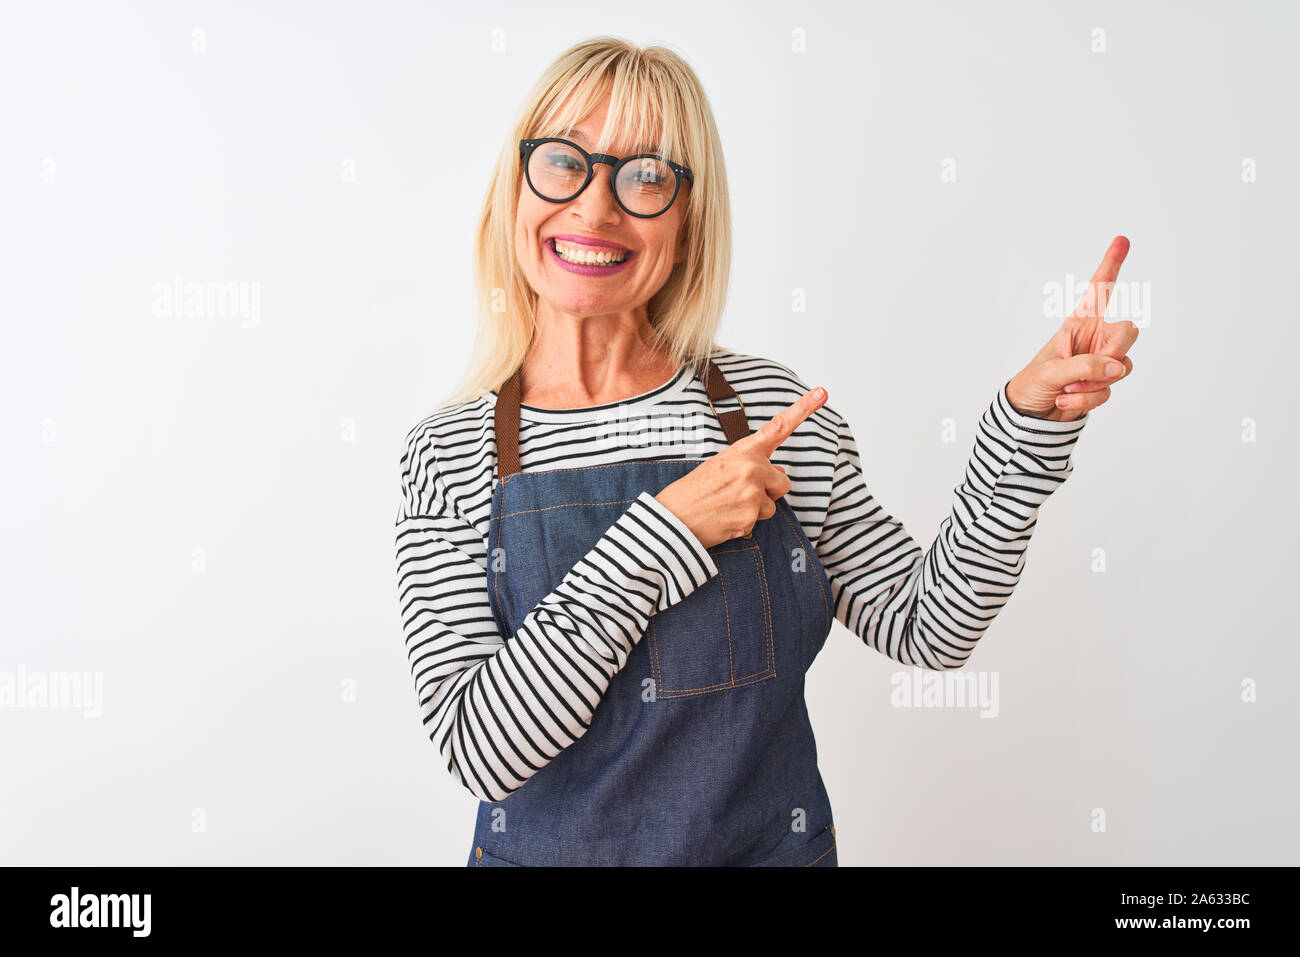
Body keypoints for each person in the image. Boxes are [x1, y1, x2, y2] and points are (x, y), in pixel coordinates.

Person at [393, 36, 1138, 867]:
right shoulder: (451, 451)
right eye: (565, 162)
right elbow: (481, 749)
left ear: (688, 216)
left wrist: (1025, 427)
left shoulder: (768, 412)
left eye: (644, 176)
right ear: (518, 182)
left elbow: (929, 626)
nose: (596, 211)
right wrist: (665, 531)